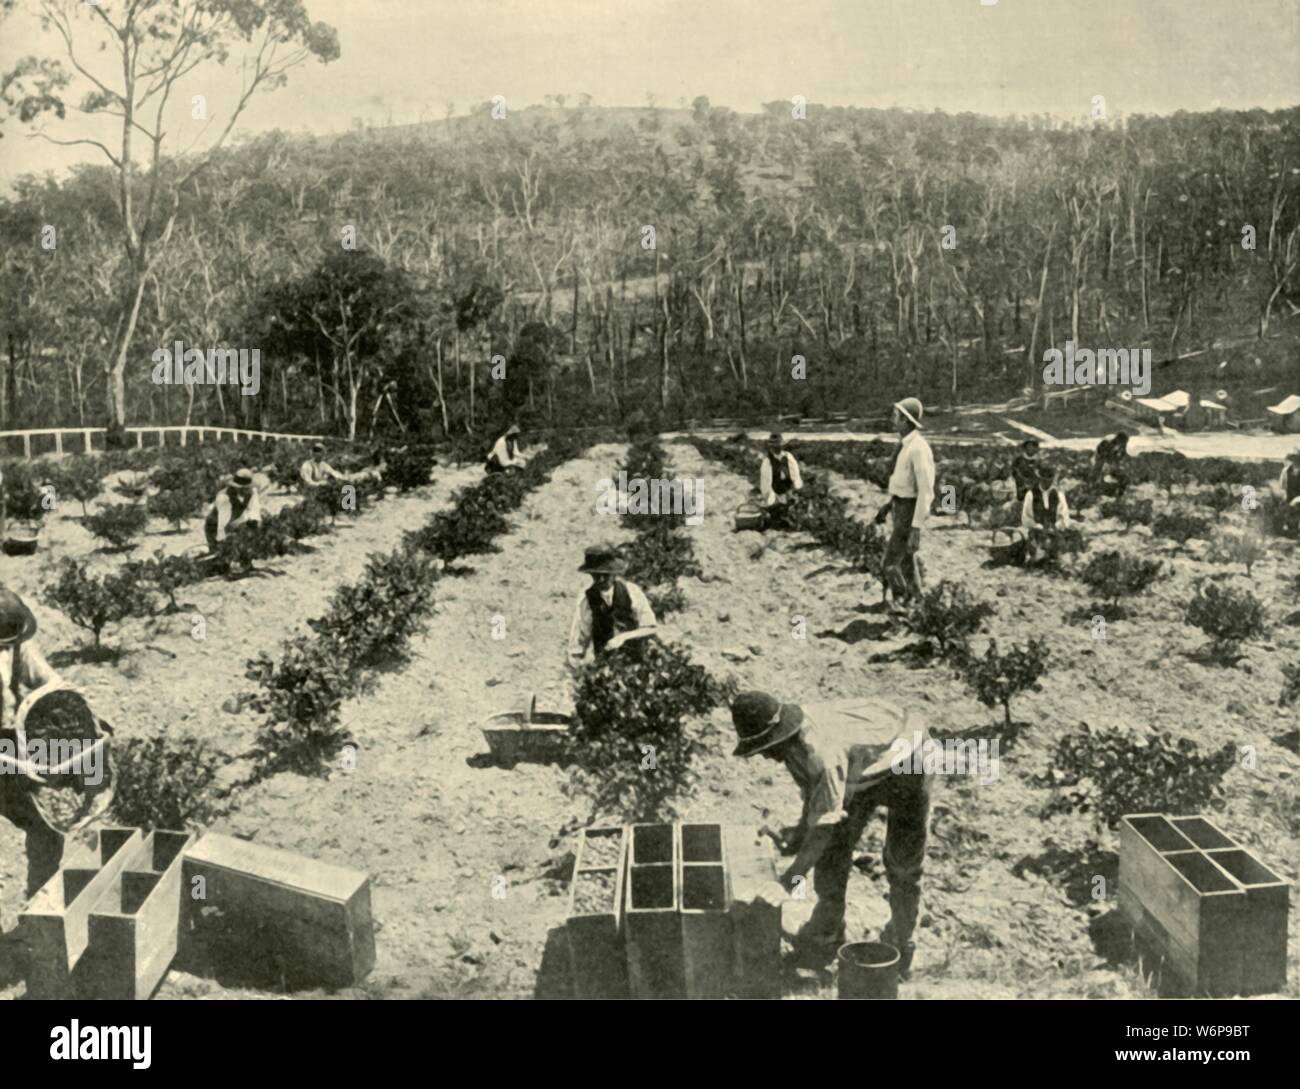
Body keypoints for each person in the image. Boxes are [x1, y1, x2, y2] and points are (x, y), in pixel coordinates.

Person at [728, 691, 933, 978]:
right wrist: (798, 835)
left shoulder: (822, 751)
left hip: (910, 756)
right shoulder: (793, 746)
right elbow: (817, 799)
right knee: (832, 857)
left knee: (903, 865)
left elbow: (824, 827)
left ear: (780, 734)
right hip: (861, 761)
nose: (764, 754)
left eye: (765, 746)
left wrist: (789, 881)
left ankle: (900, 948)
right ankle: (823, 942)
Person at [0, 588, 67, 898]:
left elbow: (52, 683)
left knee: (46, 828)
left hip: (10, 747)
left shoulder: (17, 648)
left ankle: (40, 903)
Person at [880, 397, 934, 608]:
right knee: (906, 560)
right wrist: (887, 506)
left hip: (909, 511)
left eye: (896, 416)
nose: (893, 419)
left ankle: (902, 601)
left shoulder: (918, 448)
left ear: (905, 420)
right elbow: (902, 483)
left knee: (890, 563)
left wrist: (916, 527)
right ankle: (917, 600)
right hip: (900, 507)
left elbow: (925, 491)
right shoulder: (905, 446)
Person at [567, 545, 657, 669]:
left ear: (614, 573)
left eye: (606, 575)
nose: (601, 579)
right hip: (605, 666)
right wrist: (578, 664)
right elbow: (578, 640)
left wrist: (623, 637)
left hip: (637, 663)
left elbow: (650, 628)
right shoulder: (587, 600)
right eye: (596, 575)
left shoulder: (632, 592)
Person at [1020, 466, 1072, 565]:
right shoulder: (1031, 494)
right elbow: (1026, 517)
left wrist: (1056, 526)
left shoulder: (1059, 494)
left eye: (1049, 480)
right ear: (1040, 478)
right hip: (1037, 530)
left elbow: (1064, 515)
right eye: (1044, 479)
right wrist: (1037, 526)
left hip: (1054, 530)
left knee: (1064, 560)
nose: (1047, 482)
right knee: (1036, 557)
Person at [204, 468, 262, 552]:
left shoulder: (252, 492)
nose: (245, 491)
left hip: (235, 522)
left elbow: (254, 512)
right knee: (221, 554)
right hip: (215, 526)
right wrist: (223, 542)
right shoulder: (224, 497)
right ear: (235, 487)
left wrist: (245, 521)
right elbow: (222, 527)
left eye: (247, 488)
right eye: (242, 488)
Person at [758, 432, 803, 527]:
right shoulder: (767, 461)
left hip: (788, 489)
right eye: (774, 446)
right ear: (770, 447)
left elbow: (795, 475)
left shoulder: (788, 457)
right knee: (775, 510)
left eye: (778, 445)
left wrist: (795, 489)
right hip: (775, 491)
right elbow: (766, 482)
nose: (776, 448)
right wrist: (771, 496)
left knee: (793, 507)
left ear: (782, 445)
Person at [1009, 438, 1041, 503]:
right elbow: (1014, 472)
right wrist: (1023, 482)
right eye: (1028, 446)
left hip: (1033, 484)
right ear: (1025, 448)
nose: (1030, 448)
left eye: (1033, 446)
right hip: (1021, 484)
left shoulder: (1038, 461)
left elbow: (1040, 474)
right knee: (1021, 497)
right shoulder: (1018, 460)